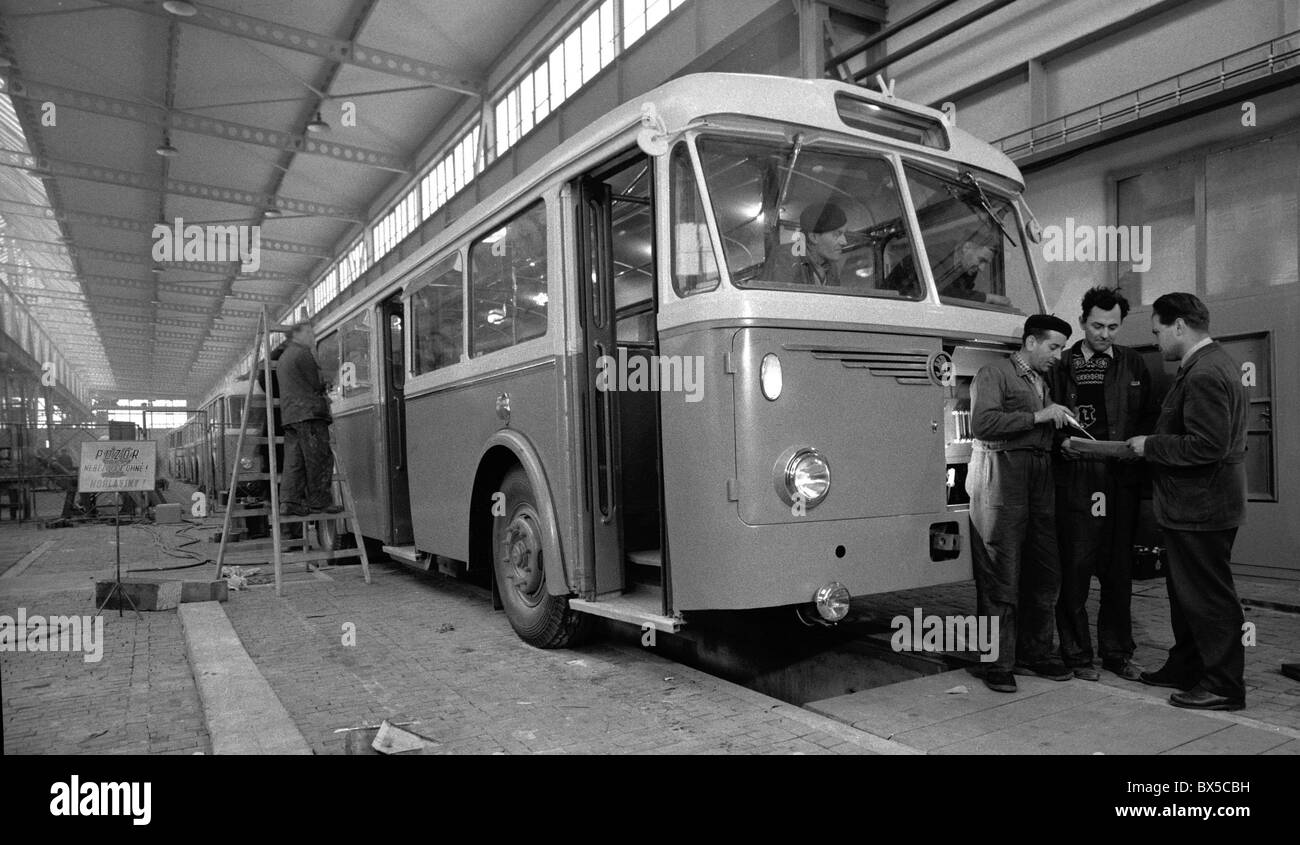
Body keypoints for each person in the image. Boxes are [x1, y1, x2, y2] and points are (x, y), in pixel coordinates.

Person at [1126, 293, 1248, 711]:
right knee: (1186, 593)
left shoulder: (1204, 373)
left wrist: (1150, 445)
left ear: (1179, 326)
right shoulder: (1209, 364)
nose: (1157, 341)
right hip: (1198, 505)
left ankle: (1224, 685)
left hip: (1203, 506)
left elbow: (1207, 445)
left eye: (1158, 331)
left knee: (1208, 597)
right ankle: (1187, 665)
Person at [1050, 287, 1157, 681]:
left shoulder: (1133, 364)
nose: (1105, 333)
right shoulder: (1061, 365)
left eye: (1113, 327)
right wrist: (1060, 444)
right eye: (1097, 325)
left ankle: (1117, 654)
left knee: (1117, 572)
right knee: (1075, 571)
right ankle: (1077, 655)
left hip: (1120, 480)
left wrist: (1138, 448)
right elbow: (1047, 418)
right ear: (1082, 322)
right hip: (1076, 480)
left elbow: (1148, 415)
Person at [966, 313, 1074, 693]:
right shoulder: (993, 374)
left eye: (1060, 348)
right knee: (1000, 572)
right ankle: (996, 662)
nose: (1058, 356)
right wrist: (1039, 414)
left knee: (1045, 570)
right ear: (1030, 342)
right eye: (1053, 347)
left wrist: (1061, 437)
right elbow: (982, 424)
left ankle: (1036, 652)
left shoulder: (1041, 380)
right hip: (1000, 476)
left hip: (1038, 476)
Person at [277, 321, 341, 516]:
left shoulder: (284, 357)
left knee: (294, 461)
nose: (312, 336)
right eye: (308, 332)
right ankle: (319, 501)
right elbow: (316, 383)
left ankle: (289, 502)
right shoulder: (303, 354)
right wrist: (326, 384)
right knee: (319, 459)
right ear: (296, 334)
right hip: (309, 414)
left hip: (291, 416)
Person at [786, 201, 848, 287]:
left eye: (844, 234)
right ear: (814, 237)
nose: (844, 242)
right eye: (837, 234)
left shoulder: (831, 267)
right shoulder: (786, 259)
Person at [937, 237, 1012, 306]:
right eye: (981, 260)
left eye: (986, 263)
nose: (982, 269)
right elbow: (940, 293)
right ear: (967, 248)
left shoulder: (969, 270)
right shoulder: (934, 257)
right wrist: (988, 298)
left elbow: (963, 298)